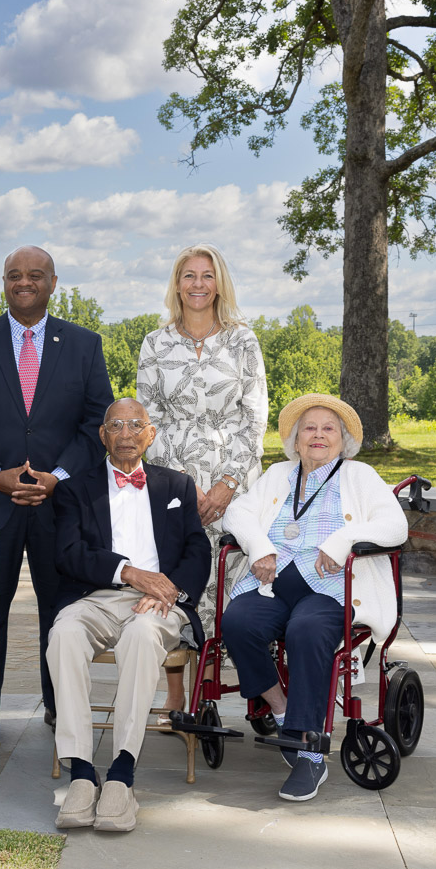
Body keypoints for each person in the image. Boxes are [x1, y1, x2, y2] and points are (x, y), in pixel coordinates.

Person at [0, 246, 113, 734]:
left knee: (60, 610)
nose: (24, 282)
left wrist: (58, 477)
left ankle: (63, 707)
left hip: (60, 502)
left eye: (35, 275)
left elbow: (96, 421)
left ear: (53, 283)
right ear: (4, 282)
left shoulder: (84, 344)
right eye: (14, 275)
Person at [219, 394, 408, 802]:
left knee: (306, 631)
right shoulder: (278, 474)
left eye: (328, 429)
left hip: (333, 586)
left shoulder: (358, 475)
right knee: (237, 622)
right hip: (274, 581)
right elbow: (238, 514)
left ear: (343, 440)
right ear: (295, 438)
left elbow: (395, 526)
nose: (318, 436)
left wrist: (343, 540)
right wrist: (258, 546)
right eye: (310, 428)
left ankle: (309, 752)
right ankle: (284, 710)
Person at [46, 398, 210, 832]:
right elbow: (68, 554)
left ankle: (122, 771)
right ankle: (81, 769)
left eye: (135, 425)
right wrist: (130, 572)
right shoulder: (74, 489)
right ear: (102, 435)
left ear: (149, 434)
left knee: (141, 635)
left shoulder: (177, 485)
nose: (125, 434)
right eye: (115, 425)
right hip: (98, 595)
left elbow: (198, 548)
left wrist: (169, 591)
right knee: (63, 633)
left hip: (159, 603)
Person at [136, 243, 267, 718]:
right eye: (188, 275)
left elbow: (255, 418)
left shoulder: (242, 340)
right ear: (176, 284)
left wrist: (227, 483)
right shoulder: (155, 343)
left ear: (219, 283)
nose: (197, 284)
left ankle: (245, 693)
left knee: (233, 580)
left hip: (234, 477)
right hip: (174, 478)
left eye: (206, 275)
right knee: (179, 576)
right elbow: (145, 420)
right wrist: (181, 486)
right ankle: (178, 696)